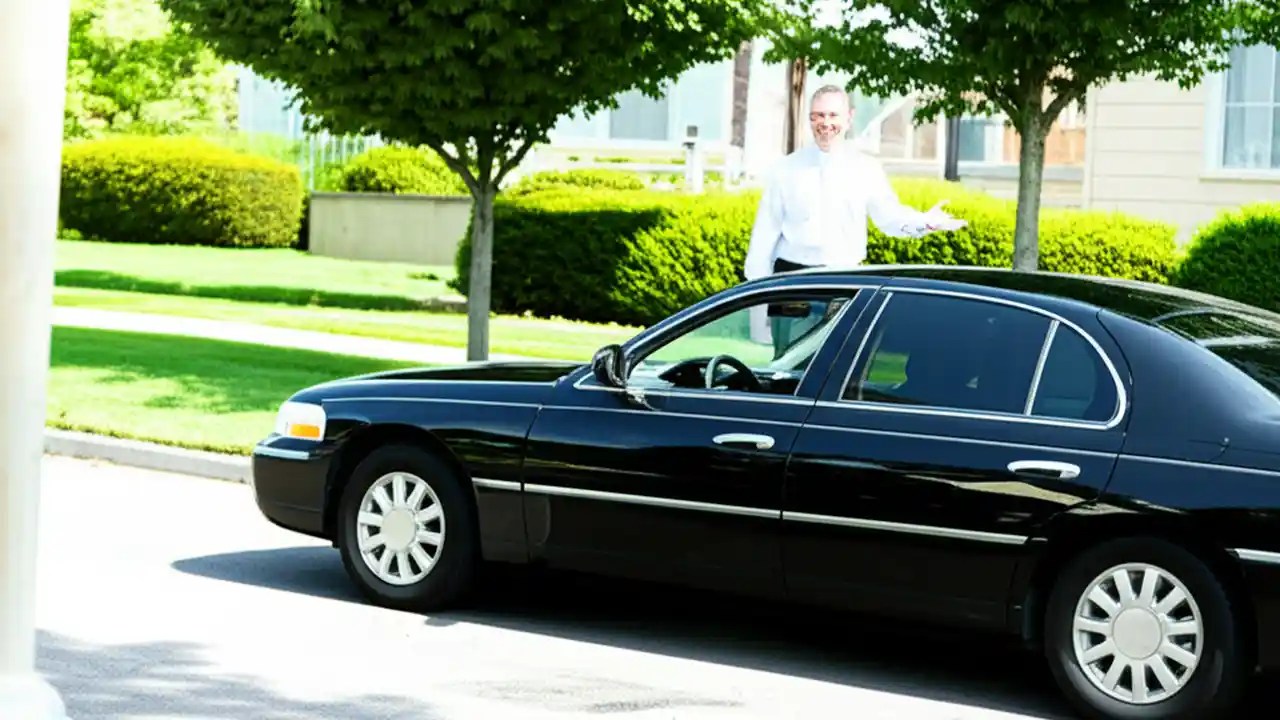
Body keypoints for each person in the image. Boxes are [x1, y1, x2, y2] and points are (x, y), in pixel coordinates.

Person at [744, 84, 966, 356]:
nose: (826, 123)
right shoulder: (785, 170)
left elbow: (890, 217)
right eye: (818, 115)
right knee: (786, 368)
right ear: (810, 119)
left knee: (836, 367)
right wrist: (756, 302)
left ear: (849, 117)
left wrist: (925, 222)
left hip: (845, 280)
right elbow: (763, 237)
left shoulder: (866, 169)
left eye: (833, 116)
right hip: (793, 283)